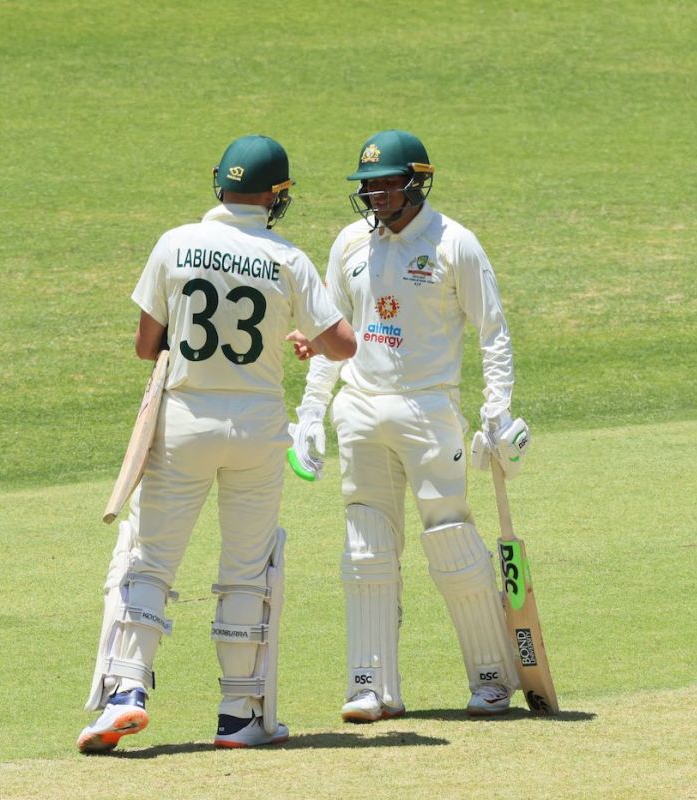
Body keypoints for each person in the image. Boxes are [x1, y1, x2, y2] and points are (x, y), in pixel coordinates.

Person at [78, 134, 356, 753]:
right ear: (275, 195)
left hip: (185, 419)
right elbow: (343, 345)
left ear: (220, 184)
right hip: (258, 426)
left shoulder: (175, 242)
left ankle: (126, 692)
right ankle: (239, 715)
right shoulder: (288, 259)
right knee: (245, 567)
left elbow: (146, 345)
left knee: (150, 558)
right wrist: (307, 337)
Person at [288, 130, 532, 722]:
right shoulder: (349, 242)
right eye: (368, 184)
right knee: (366, 547)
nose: (375, 194)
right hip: (361, 407)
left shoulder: (456, 244)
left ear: (417, 181)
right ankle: (372, 685)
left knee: (449, 538)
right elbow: (329, 333)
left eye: (387, 182)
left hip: (429, 411)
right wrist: (310, 413)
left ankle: (493, 678)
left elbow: (492, 331)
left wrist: (496, 411)